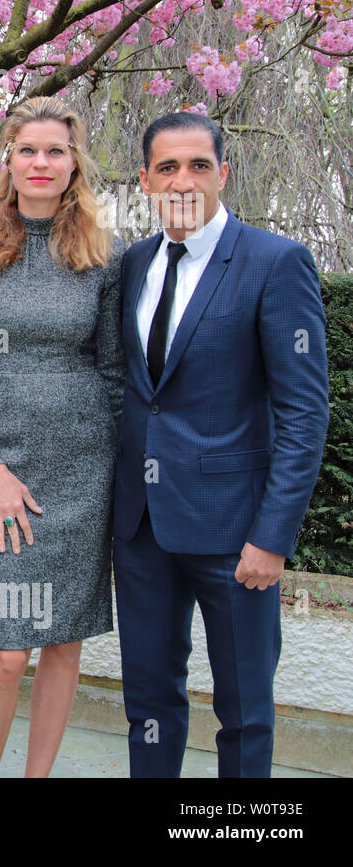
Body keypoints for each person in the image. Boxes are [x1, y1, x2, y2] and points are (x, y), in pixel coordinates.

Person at [113, 112, 328, 778]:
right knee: (148, 699)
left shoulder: (275, 262)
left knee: (243, 707)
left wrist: (273, 536)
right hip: (142, 530)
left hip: (237, 534)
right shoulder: (132, 266)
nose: (184, 180)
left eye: (199, 165)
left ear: (222, 174)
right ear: (146, 179)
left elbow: (304, 413)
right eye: (168, 167)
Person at [0, 97, 124, 777]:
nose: (41, 162)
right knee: (7, 650)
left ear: (73, 161)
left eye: (55, 150)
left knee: (65, 643)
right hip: (5, 470)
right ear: (9, 161)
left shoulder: (103, 254)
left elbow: (112, 372)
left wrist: (123, 465)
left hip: (84, 467)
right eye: (28, 150)